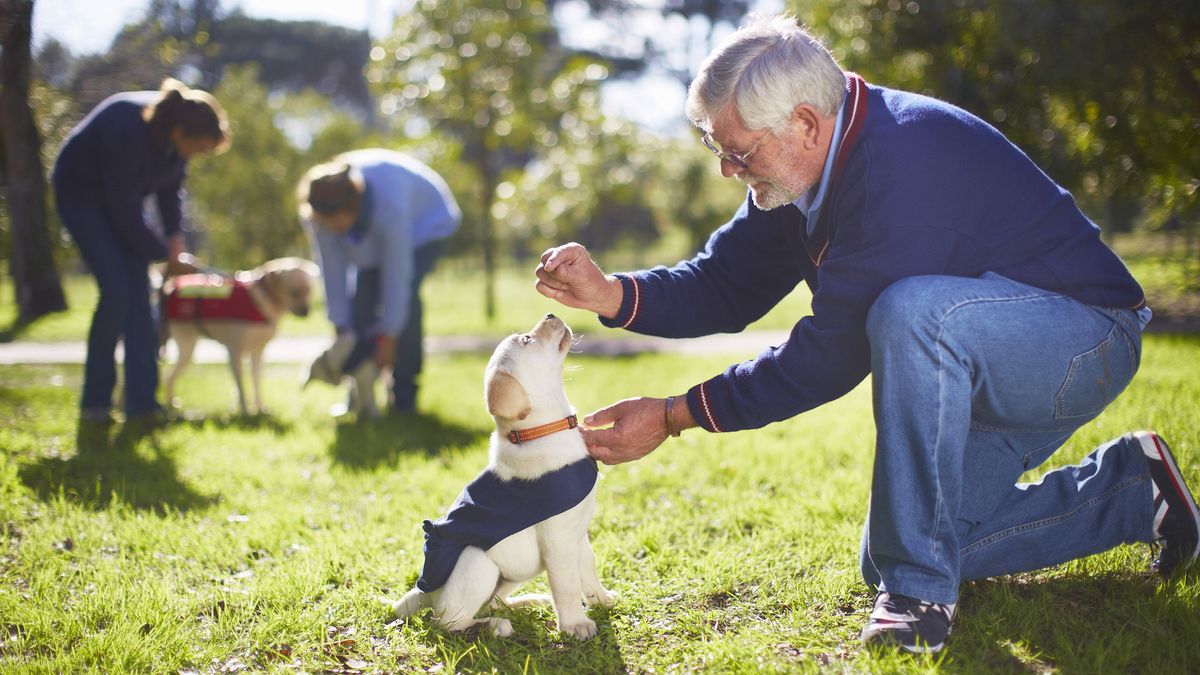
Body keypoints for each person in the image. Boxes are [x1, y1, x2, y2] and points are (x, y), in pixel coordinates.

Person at [534, 13, 1199, 654]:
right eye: (718, 148)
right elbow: (723, 284)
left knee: (910, 313)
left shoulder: (898, 170)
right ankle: (1136, 491)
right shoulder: (804, 170)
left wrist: (675, 415)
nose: (726, 171)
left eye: (737, 151)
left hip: (1081, 339)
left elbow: (830, 356)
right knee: (893, 546)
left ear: (803, 123)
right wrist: (611, 293)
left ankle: (919, 601)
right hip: (989, 355)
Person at [53, 78, 230, 425]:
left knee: (140, 296)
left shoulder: (174, 145)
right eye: (201, 147)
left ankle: (142, 405)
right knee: (117, 291)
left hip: (122, 206)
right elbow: (122, 210)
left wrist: (175, 241)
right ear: (181, 132)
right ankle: (96, 404)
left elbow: (169, 193)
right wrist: (163, 254)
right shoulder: (126, 128)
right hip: (82, 199)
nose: (200, 155)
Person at [298, 149, 461, 415]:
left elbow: (398, 278)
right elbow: (333, 273)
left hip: (427, 225)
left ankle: (404, 396)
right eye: (327, 225)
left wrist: (389, 336)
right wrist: (341, 327)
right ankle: (358, 395)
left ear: (354, 208)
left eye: (338, 225)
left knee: (405, 303)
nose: (333, 231)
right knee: (360, 303)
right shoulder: (318, 216)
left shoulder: (390, 206)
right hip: (377, 236)